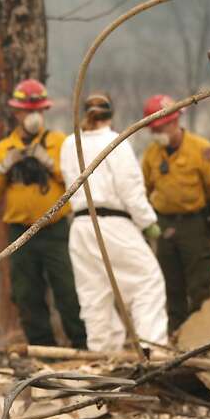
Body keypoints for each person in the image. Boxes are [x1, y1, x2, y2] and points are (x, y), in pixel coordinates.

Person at [0, 79, 86, 348]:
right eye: (27, 111)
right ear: (17, 113)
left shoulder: (59, 143)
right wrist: (4, 168)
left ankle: (81, 342)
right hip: (20, 233)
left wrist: (49, 164)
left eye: (38, 110)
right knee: (26, 292)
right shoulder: (4, 148)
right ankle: (43, 348)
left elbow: (76, 180)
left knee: (67, 287)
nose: (33, 116)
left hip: (56, 228)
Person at [59, 93, 167, 351]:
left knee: (94, 294)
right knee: (147, 282)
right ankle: (153, 349)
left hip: (82, 226)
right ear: (110, 115)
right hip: (113, 223)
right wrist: (147, 221)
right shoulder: (115, 142)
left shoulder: (69, 144)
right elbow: (129, 188)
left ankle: (103, 352)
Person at [140, 94, 210, 333]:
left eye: (161, 126)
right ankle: (176, 333)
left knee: (200, 283)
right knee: (170, 284)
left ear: (175, 122)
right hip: (164, 224)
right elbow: (143, 190)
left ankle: (201, 333)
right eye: (153, 128)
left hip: (194, 224)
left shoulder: (201, 149)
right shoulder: (151, 154)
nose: (157, 133)